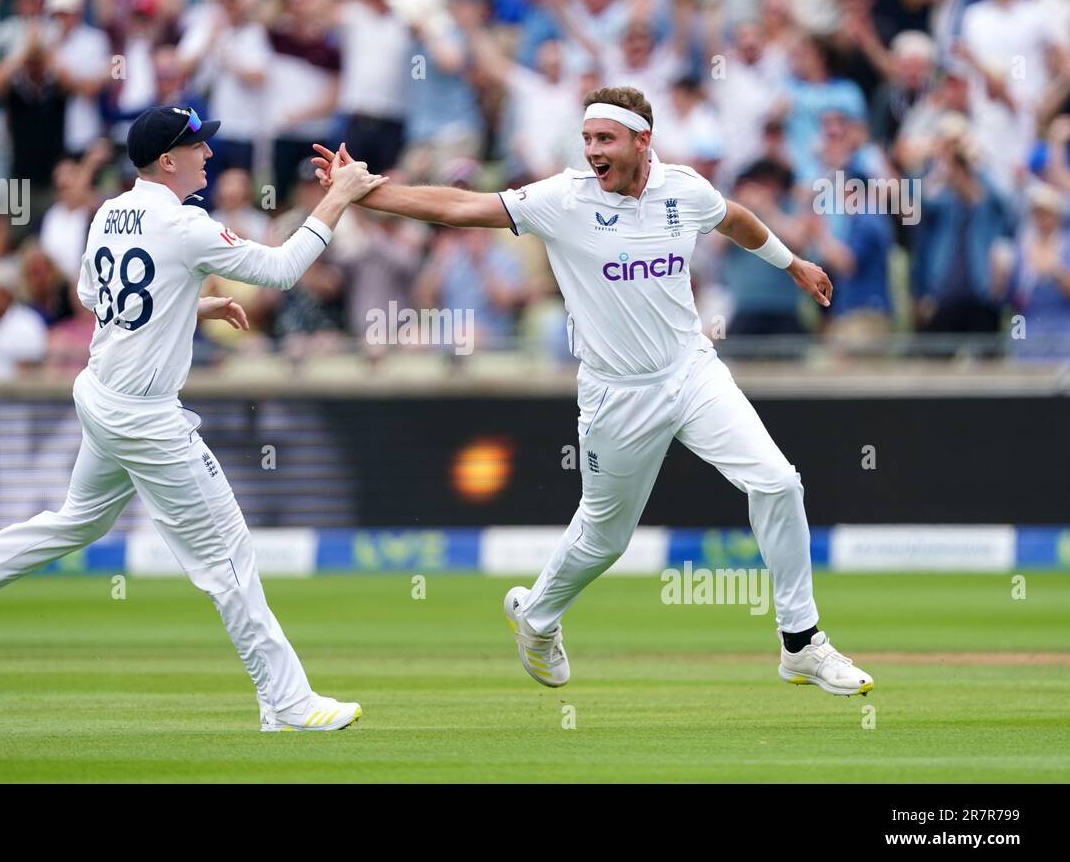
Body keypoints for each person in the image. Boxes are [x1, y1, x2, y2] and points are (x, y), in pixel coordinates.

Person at [313, 85, 875, 699]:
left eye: (604, 140)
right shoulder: (563, 198)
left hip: (692, 372)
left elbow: (734, 218)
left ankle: (801, 644)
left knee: (778, 481)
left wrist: (791, 263)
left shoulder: (683, 188)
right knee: (606, 537)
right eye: (586, 140)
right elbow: (459, 207)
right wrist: (369, 190)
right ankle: (537, 618)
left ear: (642, 141)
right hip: (616, 394)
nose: (592, 152)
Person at [0, 105, 386, 733]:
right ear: (168, 159)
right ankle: (288, 704)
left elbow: (95, 298)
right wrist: (341, 196)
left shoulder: (110, 212)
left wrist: (188, 299)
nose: (209, 156)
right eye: (198, 148)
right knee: (229, 560)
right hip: (144, 416)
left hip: (103, 394)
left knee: (74, 522)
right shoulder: (182, 224)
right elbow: (280, 270)